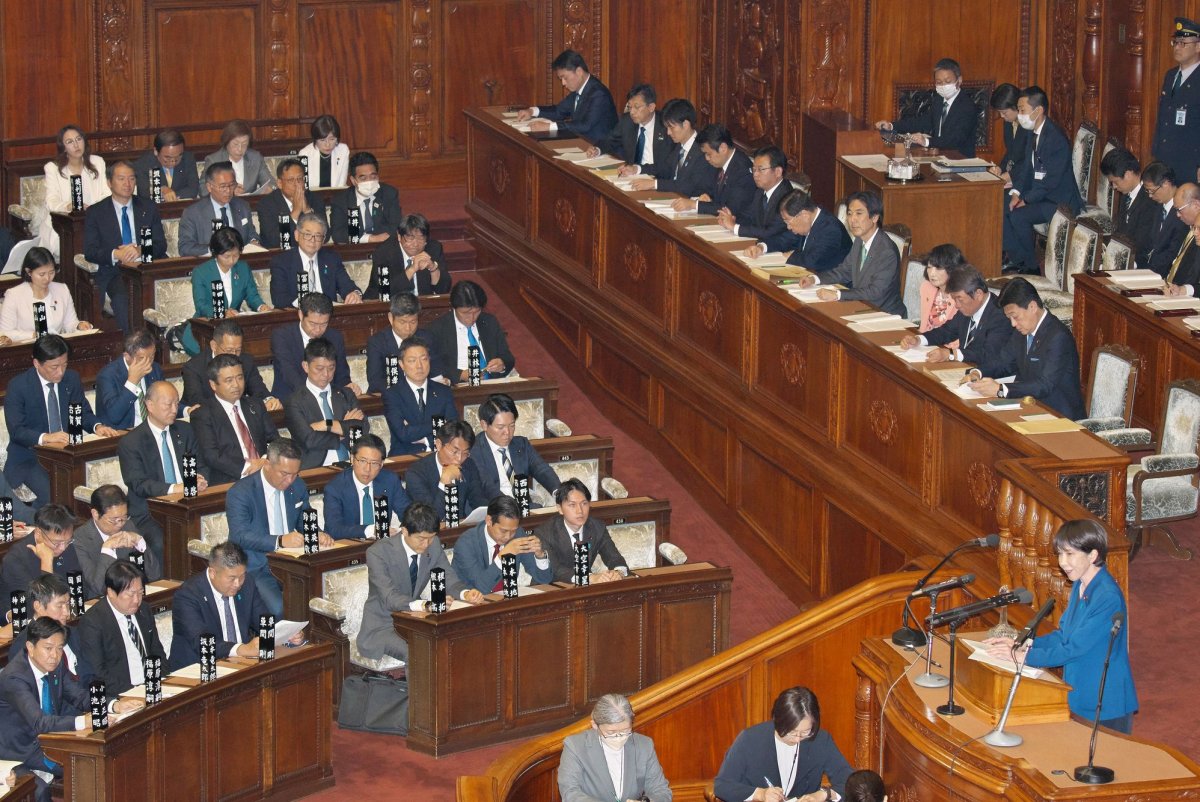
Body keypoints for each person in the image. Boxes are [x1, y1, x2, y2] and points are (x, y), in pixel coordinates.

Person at [985, 519, 1138, 733]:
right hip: (1080, 693)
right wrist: (1022, 644)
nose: (1062, 562)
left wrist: (1025, 658)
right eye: (1060, 554)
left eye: (1069, 554)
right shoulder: (1080, 585)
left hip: (1104, 701)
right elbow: (1063, 636)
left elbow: (1074, 648)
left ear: (1093, 555)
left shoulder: (1107, 597)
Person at [0, 617, 141, 802]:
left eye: (60, 648)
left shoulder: (55, 666)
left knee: (107, 760)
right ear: (30, 647)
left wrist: (113, 704)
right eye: (48, 648)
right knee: (81, 770)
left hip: (51, 739)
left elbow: (79, 696)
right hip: (21, 749)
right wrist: (84, 721)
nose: (55, 655)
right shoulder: (14, 678)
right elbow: (40, 722)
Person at [355, 502, 483, 663]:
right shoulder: (378, 552)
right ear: (405, 531)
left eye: (430, 538)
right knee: (419, 651)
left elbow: (448, 577)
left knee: (456, 642)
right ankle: (418, 690)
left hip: (416, 621)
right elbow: (390, 598)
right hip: (383, 626)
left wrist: (465, 593)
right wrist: (425, 605)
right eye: (421, 539)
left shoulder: (433, 544)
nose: (426, 544)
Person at [5, 334, 117, 505]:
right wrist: (46, 437)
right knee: (57, 494)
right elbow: (17, 431)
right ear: (36, 363)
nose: (61, 372)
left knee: (97, 492)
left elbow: (82, 412)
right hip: (30, 457)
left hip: (68, 454)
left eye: (64, 365)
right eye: (54, 367)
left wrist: (97, 426)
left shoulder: (71, 379)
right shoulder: (19, 386)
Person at [226, 438, 331, 616]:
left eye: (295, 473)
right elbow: (239, 535)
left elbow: (303, 519)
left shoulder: (298, 485)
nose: (290, 480)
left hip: (294, 562)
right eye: (284, 473)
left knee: (321, 600)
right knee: (279, 609)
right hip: (257, 565)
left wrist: (317, 533)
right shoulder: (241, 492)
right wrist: (280, 541)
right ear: (267, 464)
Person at [169, 541, 302, 670]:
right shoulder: (188, 595)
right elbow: (201, 642)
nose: (238, 584)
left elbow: (262, 619)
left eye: (241, 576)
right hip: (199, 669)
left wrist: (285, 635)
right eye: (232, 578)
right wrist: (242, 649)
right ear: (212, 573)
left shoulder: (247, 583)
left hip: (241, 665)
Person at [116, 381, 209, 564]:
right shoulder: (131, 442)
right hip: (151, 510)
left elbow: (202, 465)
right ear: (150, 405)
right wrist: (175, 488)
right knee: (163, 542)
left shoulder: (185, 430)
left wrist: (200, 479)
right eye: (168, 404)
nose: (175, 409)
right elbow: (138, 483)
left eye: (176, 403)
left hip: (189, 504)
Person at [967, 277, 1085, 419]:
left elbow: (1045, 384)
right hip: (1031, 408)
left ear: (1032, 307)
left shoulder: (1058, 336)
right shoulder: (1022, 332)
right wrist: (978, 372)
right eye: (1009, 318)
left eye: (1015, 317)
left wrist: (1000, 389)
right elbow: (1004, 362)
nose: (1013, 324)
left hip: (1059, 415)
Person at [714, 686, 852, 802]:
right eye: (792, 732)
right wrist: (760, 794)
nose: (798, 739)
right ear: (777, 720)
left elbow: (850, 780)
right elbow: (722, 785)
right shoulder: (750, 739)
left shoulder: (820, 740)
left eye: (805, 732)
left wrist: (824, 794)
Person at [1002, 86, 1083, 275]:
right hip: (1040, 193)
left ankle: (1031, 267)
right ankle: (1017, 258)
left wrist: (1026, 199)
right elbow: (1026, 170)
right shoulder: (1032, 132)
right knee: (1003, 204)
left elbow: (1050, 183)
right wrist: (1016, 193)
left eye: (1022, 110)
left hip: (1058, 200)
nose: (1019, 115)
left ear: (1038, 111)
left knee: (1018, 215)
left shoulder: (1056, 140)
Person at [82, 160, 166, 331]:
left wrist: (140, 249)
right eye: (121, 179)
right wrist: (116, 254)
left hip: (146, 267)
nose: (127, 184)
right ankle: (134, 344)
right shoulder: (96, 212)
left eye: (131, 179)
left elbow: (160, 244)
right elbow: (90, 251)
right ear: (109, 182)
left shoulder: (148, 206)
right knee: (123, 299)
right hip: (116, 272)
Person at [799, 191, 906, 316]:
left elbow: (875, 292)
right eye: (849, 214)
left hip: (884, 314)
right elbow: (844, 271)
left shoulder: (886, 251)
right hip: (862, 308)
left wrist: (838, 294)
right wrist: (815, 279)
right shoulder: (860, 240)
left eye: (859, 214)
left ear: (875, 217)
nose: (852, 220)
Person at [558, 693, 672, 802]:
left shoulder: (644, 745)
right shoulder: (575, 746)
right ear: (594, 725)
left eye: (625, 731)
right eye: (611, 732)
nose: (619, 738)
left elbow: (662, 791)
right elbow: (570, 793)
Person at [188, 353, 279, 485]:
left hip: (264, 472)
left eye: (240, 378)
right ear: (213, 385)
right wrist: (248, 467)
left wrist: (264, 460)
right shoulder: (202, 414)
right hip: (231, 480)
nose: (236, 385)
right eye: (229, 380)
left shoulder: (255, 405)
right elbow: (212, 455)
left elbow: (275, 440)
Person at [179, 227, 273, 355]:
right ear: (215, 253)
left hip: (233, 328)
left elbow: (252, 295)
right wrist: (222, 313)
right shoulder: (201, 272)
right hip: (205, 328)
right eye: (226, 256)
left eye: (236, 255)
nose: (232, 261)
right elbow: (201, 306)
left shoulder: (243, 268)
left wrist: (261, 306)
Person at [78, 562, 167, 695]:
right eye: (130, 595)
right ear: (111, 592)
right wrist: (133, 692)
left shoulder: (144, 610)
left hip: (153, 687)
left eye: (140, 593)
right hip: (122, 693)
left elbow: (157, 651)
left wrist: (164, 680)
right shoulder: (93, 622)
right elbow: (98, 672)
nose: (137, 600)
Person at [0, 505, 100, 616]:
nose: (63, 548)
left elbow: (81, 589)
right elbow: (38, 607)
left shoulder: (66, 546)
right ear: (38, 533)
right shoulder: (15, 559)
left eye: (68, 541)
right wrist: (46, 563)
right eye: (57, 543)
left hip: (65, 615)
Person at [900, 264, 1009, 365]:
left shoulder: (1000, 315)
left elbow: (988, 354)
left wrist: (951, 354)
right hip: (963, 368)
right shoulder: (968, 308)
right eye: (954, 299)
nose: (956, 305)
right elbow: (946, 331)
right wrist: (919, 340)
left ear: (978, 294)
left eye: (959, 299)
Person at [283, 337, 363, 469]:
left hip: (353, 463)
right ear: (305, 366)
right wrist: (343, 431)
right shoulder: (294, 401)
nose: (326, 374)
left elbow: (362, 427)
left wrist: (327, 424)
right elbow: (309, 439)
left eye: (331, 368)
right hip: (317, 467)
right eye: (319, 368)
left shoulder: (346, 394)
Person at [876, 58, 979, 157]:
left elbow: (955, 138)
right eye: (939, 82)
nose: (943, 86)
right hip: (937, 156)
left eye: (947, 82)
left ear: (959, 80)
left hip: (960, 160)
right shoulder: (939, 99)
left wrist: (927, 141)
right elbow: (922, 122)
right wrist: (892, 126)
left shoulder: (967, 106)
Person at [450, 495, 552, 592]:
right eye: (503, 531)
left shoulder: (518, 534)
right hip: (472, 604)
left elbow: (545, 579)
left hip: (506, 601)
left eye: (513, 531)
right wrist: (502, 556)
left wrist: (540, 556)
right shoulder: (466, 543)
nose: (508, 536)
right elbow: (480, 587)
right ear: (489, 521)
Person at [35, 126, 109, 260]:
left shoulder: (97, 162)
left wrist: (94, 209)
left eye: (78, 139)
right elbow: (51, 201)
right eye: (69, 142)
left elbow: (106, 194)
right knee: (73, 244)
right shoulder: (53, 168)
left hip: (94, 220)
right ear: (63, 147)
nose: (76, 145)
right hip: (63, 224)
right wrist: (69, 206)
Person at [535, 478, 628, 584]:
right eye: (572, 505)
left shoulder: (597, 527)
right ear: (560, 508)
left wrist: (617, 572)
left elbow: (613, 556)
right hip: (551, 588)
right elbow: (556, 569)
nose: (580, 511)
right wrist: (589, 578)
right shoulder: (545, 532)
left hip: (582, 588)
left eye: (584, 504)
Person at [517, 49, 618, 145]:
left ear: (579, 71)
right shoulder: (579, 89)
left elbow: (584, 125)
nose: (563, 83)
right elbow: (558, 111)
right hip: (585, 145)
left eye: (564, 78)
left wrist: (549, 127)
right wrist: (531, 111)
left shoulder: (598, 93)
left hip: (604, 151)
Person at [4, 575, 94, 683]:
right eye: (60, 606)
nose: (67, 613)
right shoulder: (23, 645)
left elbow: (90, 673)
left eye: (67, 604)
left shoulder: (73, 632)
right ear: (39, 607)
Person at [471, 393, 561, 501]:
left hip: (523, 507)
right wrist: (510, 509)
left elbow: (541, 469)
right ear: (484, 425)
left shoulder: (521, 444)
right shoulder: (474, 450)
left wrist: (559, 493)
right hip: (494, 509)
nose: (507, 432)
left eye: (512, 425)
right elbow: (487, 487)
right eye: (500, 427)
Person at [322, 433, 410, 540]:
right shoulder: (335, 488)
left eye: (374, 463)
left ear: (381, 464)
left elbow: (407, 513)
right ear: (352, 459)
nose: (367, 469)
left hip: (383, 546)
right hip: (351, 548)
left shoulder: (390, 480)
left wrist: (404, 529)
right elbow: (334, 530)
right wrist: (370, 530)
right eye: (363, 461)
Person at [269, 292, 356, 400]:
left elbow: (342, 375)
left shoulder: (335, 337)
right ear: (301, 315)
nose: (318, 330)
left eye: (324, 324)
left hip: (328, 399)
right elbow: (289, 374)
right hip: (291, 400)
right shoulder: (282, 337)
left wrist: (348, 386)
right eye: (313, 324)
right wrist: (314, 399)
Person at [425, 280, 516, 383]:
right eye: (466, 313)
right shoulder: (437, 329)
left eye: (477, 312)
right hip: (459, 385)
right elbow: (431, 364)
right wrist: (459, 375)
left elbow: (508, 357)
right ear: (453, 307)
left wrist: (502, 364)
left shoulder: (489, 322)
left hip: (491, 383)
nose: (472, 318)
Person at [73, 484, 162, 589]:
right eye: (114, 520)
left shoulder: (128, 526)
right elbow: (98, 587)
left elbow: (155, 575)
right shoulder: (80, 538)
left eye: (124, 517)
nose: (120, 524)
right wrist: (107, 549)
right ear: (95, 514)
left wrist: (140, 542)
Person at [381, 335, 457, 456]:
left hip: (439, 455)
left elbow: (453, 430)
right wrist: (439, 424)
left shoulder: (443, 391)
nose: (419, 366)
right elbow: (403, 434)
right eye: (412, 361)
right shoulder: (392, 394)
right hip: (405, 458)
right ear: (401, 364)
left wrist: (425, 439)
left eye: (424, 359)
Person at [269, 211, 363, 308]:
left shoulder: (331, 259)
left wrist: (354, 294)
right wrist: (307, 305)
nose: (312, 240)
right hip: (296, 316)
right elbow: (278, 298)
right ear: (297, 235)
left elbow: (347, 285)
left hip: (328, 316)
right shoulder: (281, 262)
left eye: (318, 236)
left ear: (323, 239)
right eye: (307, 234)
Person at [743, 190, 851, 273]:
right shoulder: (807, 223)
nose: (788, 227)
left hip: (835, 286)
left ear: (804, 215)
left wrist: (792, 256)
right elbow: (784, 239)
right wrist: (761, 247)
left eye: (788, 221)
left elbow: (813, 261)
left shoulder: (831, 229)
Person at [0, 247, 93, 343]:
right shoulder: (14, 295)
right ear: (28, 272)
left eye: (51, 273)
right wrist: (33, 335)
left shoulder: (62, 290)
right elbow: (6, 333)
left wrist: (79, 325)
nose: (47, 278)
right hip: (28, 349)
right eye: (41, 274)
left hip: (57, 348)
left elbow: (70, 323)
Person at [180, 318, 277, 409]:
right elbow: (197, 401)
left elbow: (259, 391)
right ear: (214, 345)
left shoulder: (246, 361)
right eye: (229, 350)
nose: (234, 355)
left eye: (238, 350)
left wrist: (269, 400)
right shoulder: (193, 367)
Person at [630, 99, 718, 197]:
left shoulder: (703, 150)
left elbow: (689, 186)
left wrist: (654, 184)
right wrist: (637, 169)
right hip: (673, 197)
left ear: (685, 124)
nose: (668, 132)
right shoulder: (679, 144)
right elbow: (665, 168)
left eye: (671, 127)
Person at [719, 146, 801, 252]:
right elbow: (748, 215)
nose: (755, 174)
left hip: (780, 251)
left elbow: (770, 232)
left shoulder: (787, 197)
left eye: (761, 169)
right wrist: (732, 219)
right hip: (761, 246)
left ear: (778, 172)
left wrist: (735, 227)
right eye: (754, 169)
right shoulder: (760, 191)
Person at [403, 421, 487, 521]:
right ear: (438, 444)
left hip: (459, 528)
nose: (459, 459)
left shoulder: (468, 464)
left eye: (465, 453)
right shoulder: (416, 473)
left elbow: (478, 500)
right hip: (428, 533)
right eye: (454, 451)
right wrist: (444, 482)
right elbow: (430, 519)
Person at [668, 123, 755, 217]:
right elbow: (712, 191)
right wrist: (708, 197)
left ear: (723, 148)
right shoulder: (722, 162)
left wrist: (694, 204)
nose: (707, 158)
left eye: (709, 154)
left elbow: (730, 209)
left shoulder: (743, 170)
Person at [178, 161, 260, 257]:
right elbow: (185, 248)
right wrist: (214, 249)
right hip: (209, 266)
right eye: (223, 186)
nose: (229, 191)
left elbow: (252, 234)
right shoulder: (193, 213)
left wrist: (254, 241)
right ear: (209, 187)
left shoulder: (242, 206)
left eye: (232, 185)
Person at [1153, 17, 1200, 184]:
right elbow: (1163, 118)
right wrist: (1156, 152)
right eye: (1175, 42)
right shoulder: (1171, 75)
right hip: (1166, 161)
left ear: (1198, 46)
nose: (1177, 47)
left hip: (1189, 162)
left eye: (1183, 43)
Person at [94, 327, 165, 430]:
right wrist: (132, 382)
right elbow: (114, 416)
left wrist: (187, 410)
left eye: (152, 356)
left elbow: (165, 400)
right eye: (142, 358)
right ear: (127, 356)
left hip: (152, 430)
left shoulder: (155, 369)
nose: (148, 362)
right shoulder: (107, 375)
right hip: (122, 434)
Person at [591, 84, 671, 172]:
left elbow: (666, 166)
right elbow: (610, 141)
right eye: (630, 107)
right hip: (630, 174)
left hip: (655, 178)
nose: (632, 112)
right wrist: (597, 149)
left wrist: (639, 170)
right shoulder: (627, 121)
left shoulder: (666, 127)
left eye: (636, 107)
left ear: (651, 107)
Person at [365, 213, 449, 297]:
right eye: (410, 238)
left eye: (420, 238)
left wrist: (433, 268)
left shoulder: (433, 249)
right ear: (399, 236)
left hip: (423, 306)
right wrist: (412, 269)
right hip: (391, 306)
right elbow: (385, 291)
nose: (415, 244)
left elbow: (444, 289)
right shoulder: (384, 252)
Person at [1100, 148, 1157, 269]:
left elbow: (1143, 243)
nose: (1114, 187)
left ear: (1127, 174)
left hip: (1138, 263)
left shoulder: (1150, 200)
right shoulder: (1126, 194)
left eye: (1115, 182)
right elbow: (1121, 231)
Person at [255, 158, 328, 249]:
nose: (296, 184)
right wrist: (295, 214)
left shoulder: (315, 199)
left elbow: (325, 236)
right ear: (280, 183)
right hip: (282, 256)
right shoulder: (266, 204)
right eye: (290, 180)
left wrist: (307, 211)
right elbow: (272, 241)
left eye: (299, 179)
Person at [365, 293, 433, 393]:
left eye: (413, 322)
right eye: (402, 322)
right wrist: (409, 390)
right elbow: (375, 382)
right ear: (390, 318)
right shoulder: (377, 342)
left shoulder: (426, 338)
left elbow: (435, 373)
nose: (408, 328)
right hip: (389, 398)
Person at [329, 152, 401, 244]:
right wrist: (369, 238)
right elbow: (338, 234)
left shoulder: (389, 193)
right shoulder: (341, 200)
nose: (369, 181)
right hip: (355, 250)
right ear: (353, 180)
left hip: (385, 246)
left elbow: (396, 226)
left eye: (373, 176)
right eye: (363, 178)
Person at [1141, 160, 1190, 276]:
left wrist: (1149, 273)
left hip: (1164, 274)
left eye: (1152, 191)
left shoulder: (1183, 214)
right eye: (1147, 191)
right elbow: (1146, 242)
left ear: (1166, 184)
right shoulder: (1155, 206)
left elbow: (1173, 252)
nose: (1150, 195)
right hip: (1146, 268)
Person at [201, 119, 275, 196]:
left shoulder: (255, 158)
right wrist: (229, 191)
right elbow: (203, 190)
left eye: (244, 144)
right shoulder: (214, 160)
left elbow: (271, 182)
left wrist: (270, 188)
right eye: (236, 144)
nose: (240, 149)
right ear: (227, 142)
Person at [132, 129, 200, 201]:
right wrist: (161, 190)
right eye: (168, 157)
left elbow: (193, 189)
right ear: (156, 151)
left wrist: (171, 195)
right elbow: (144, 193)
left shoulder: (188, 159)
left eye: (178, 156)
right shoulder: (144, 164)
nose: (173, 161)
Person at [916, 243, 966, 333]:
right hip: (927, 342)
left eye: (938, 268)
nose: (932, 273)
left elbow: (960, 336)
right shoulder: (926, 288)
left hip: (950, 345)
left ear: (952, 269)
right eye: (929, 267)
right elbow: (923, 326)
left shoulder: (963, 294)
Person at [1165, 183, 1200, 296]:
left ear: (1196, 205)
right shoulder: (1185, 226)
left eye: (1179, 210)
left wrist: (1185, 290)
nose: (1178, 215)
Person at [987, 83, 1026, 184]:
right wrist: (1000, 168)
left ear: (1016, 106)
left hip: (1025, 179)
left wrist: (1011, 175)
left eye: (1004, 112)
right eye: (999, 112)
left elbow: (1029, 159)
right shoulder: (1008, 122)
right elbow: (1010, 153)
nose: (1001, 116)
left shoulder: (1028, 125)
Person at [298, 114, 350, 189]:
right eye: (322, 140)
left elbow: (341, 184)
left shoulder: (343, 150)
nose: (328, 144)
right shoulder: (305, 154)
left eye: (332, 139)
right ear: (315, 139)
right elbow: (304, 186)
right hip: (312, 198)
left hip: (337, 197)